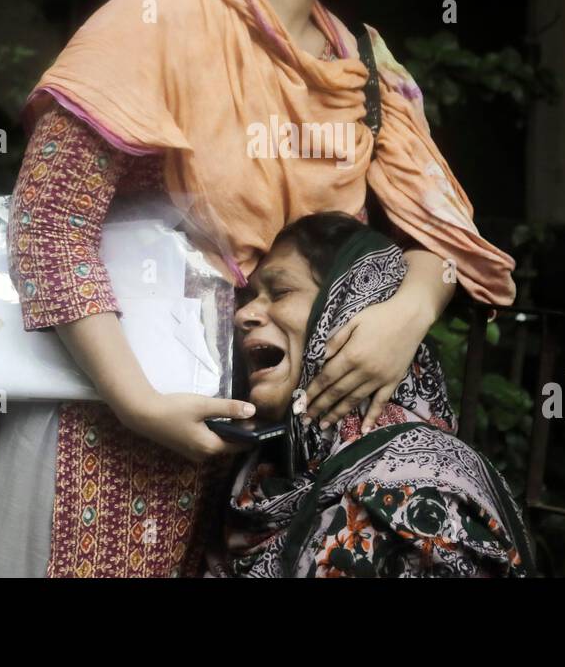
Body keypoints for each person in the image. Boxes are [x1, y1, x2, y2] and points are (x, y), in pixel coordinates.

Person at [0, 0, 517, 578]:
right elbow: (48, 223)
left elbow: (441, 235)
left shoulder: (360, 63)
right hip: (111, 427)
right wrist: (138, 403)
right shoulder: (162, 13)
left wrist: (412, 308)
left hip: (276, 449)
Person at [203, 212, 536, 577]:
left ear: (347, 310)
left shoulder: (423, 495)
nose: (243, 314)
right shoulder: (260, 476)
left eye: (280, 292)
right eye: (249, 297)